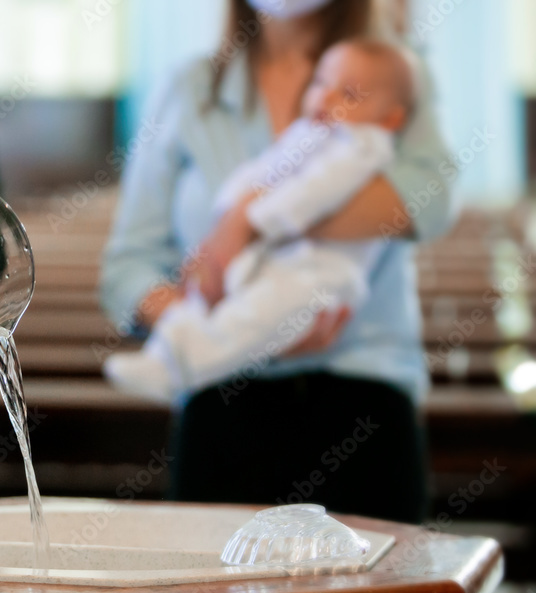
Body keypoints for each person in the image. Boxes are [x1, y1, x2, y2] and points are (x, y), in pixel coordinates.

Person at [100, 0, 454, 524]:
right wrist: (203, 325)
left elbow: (427, 197)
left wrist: (246, 219)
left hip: (363, 400)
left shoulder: (389, 70)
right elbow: (128, 268)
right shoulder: (190, 88)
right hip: (223, 402)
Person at [104, 39, 415, 405]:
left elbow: (317, 191)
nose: (326, 99)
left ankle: (183, 367)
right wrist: (233, 206)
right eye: (320, 84)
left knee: (257, 314)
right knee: (230, 300)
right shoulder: (312, 130)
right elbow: (265, 170)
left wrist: (254, 219)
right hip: (280, 261)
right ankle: (171, 349)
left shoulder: (364, 144)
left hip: (323, 278)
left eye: (348, 94)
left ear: (390, 117)